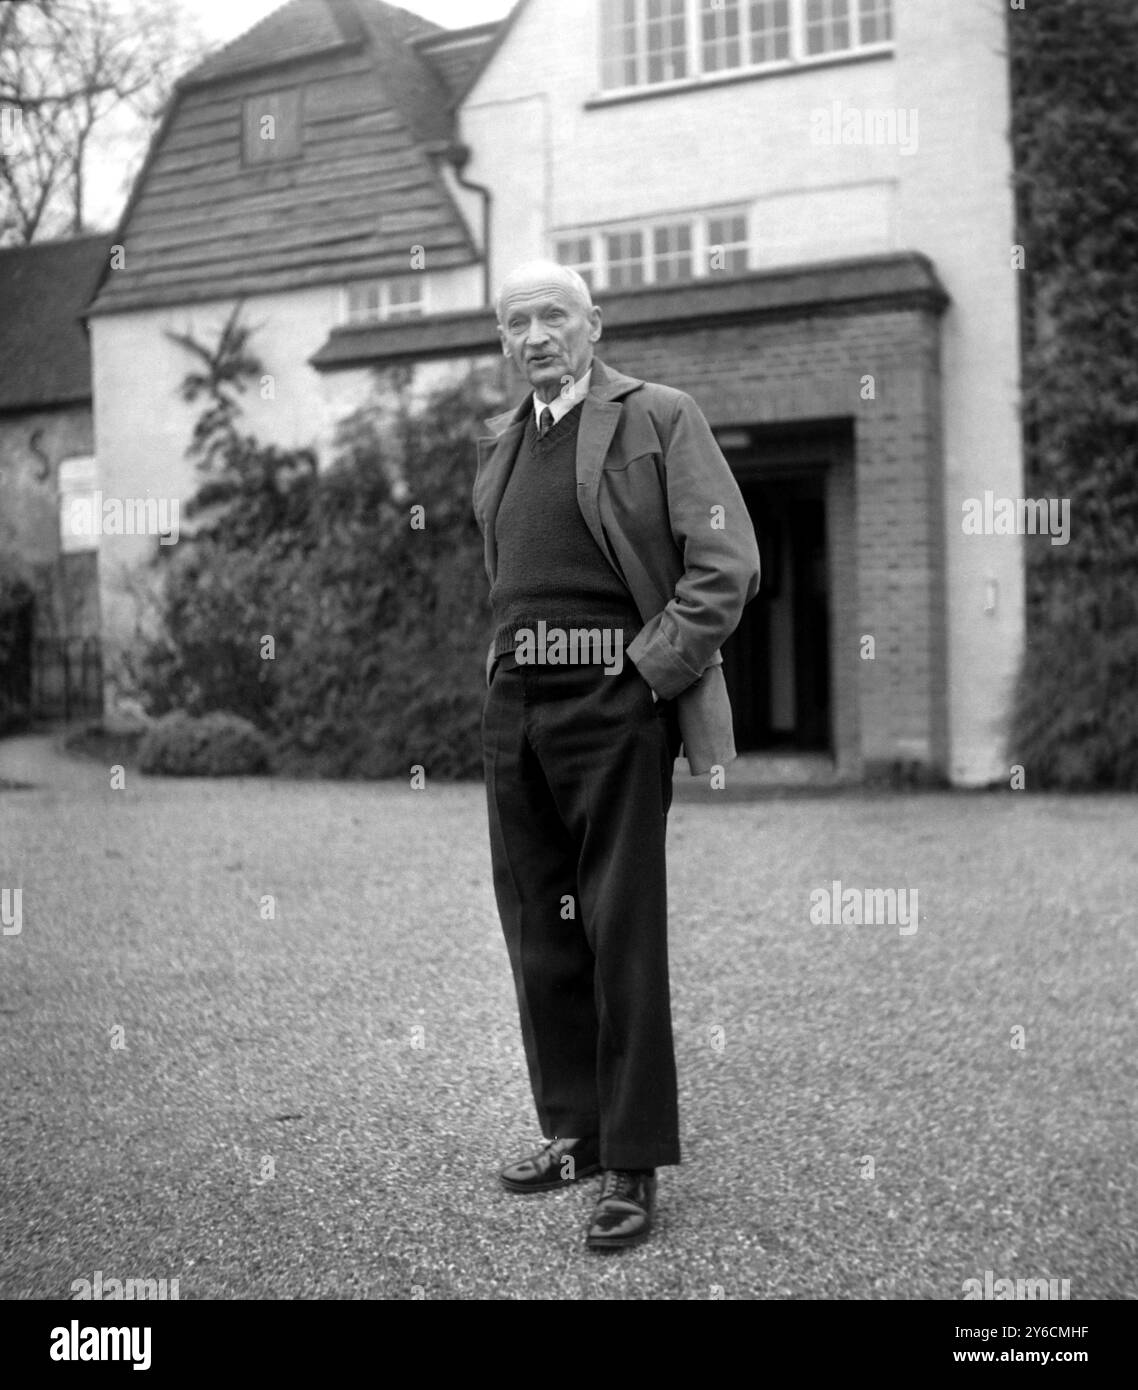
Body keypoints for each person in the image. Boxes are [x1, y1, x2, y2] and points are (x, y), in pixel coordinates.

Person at [474, 260, 760, 1250]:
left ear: (593, 324)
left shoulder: (659, 416)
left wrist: (645, 675)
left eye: (552, 315)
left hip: (613, 701)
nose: (534, 334)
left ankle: (632, 1164)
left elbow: (727, 566)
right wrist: (502, 681)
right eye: (516, 322)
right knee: (539, 931)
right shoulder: (503, 444)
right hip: (515, 708)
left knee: (618, 932)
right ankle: (577, 1132)